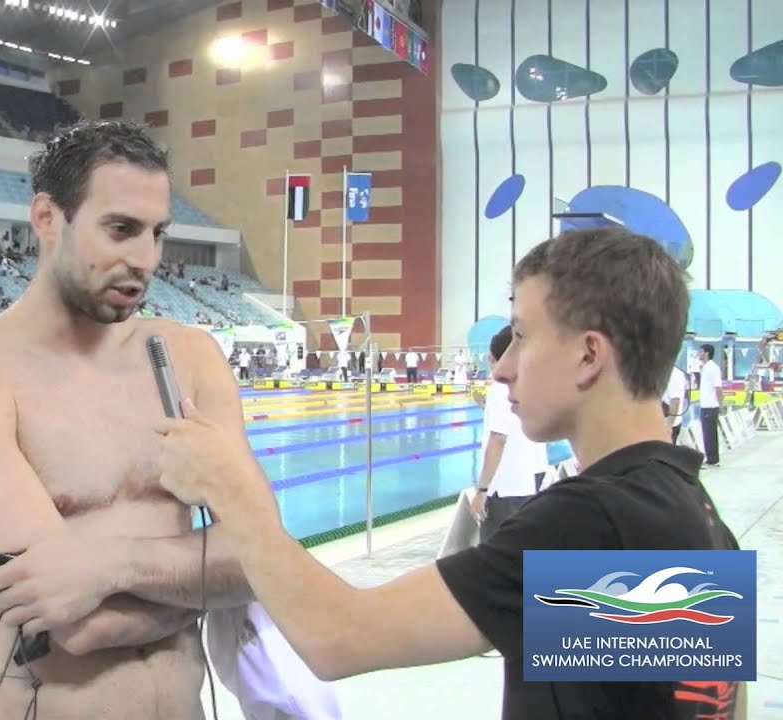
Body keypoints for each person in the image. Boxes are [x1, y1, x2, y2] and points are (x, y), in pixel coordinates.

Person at [139, 228, 748, 719]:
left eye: (523, 338)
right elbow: (717, 704)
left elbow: (337, 637)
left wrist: (229, 487)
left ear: (589, 355)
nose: (502, 369)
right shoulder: (694, 510)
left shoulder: (587, 525)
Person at [0, 121, 265, 719]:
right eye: (120, 229)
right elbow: (77, 627)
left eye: (157, 234)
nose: (144, 259)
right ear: (48, 218)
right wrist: (217, 568)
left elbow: (263, 559)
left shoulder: (188, 359)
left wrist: (106, 564)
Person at [469, 325, 548, 541]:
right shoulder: (532, 382)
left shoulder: (500, 388)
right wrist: (486, 407)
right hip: (532, 474)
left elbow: (498, 440)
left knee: (498, 556)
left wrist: (482, 490)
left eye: (490, 358)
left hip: (506, 486)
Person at [697, 343, 723, 467]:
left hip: (710, 406)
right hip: (705, 405)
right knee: (707, 433)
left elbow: (718, 388)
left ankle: (712, 459)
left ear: (706, 353)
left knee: (710, 433)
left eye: (700, 351)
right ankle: (712, 458)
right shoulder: (705, 367)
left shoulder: (713, 368)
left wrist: (720, 405)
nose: (698, 353)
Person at [662, 363, 689, 444]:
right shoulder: (669, 373)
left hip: (669, 424)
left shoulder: (673, 375)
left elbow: (675, 401)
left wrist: (668, 425)